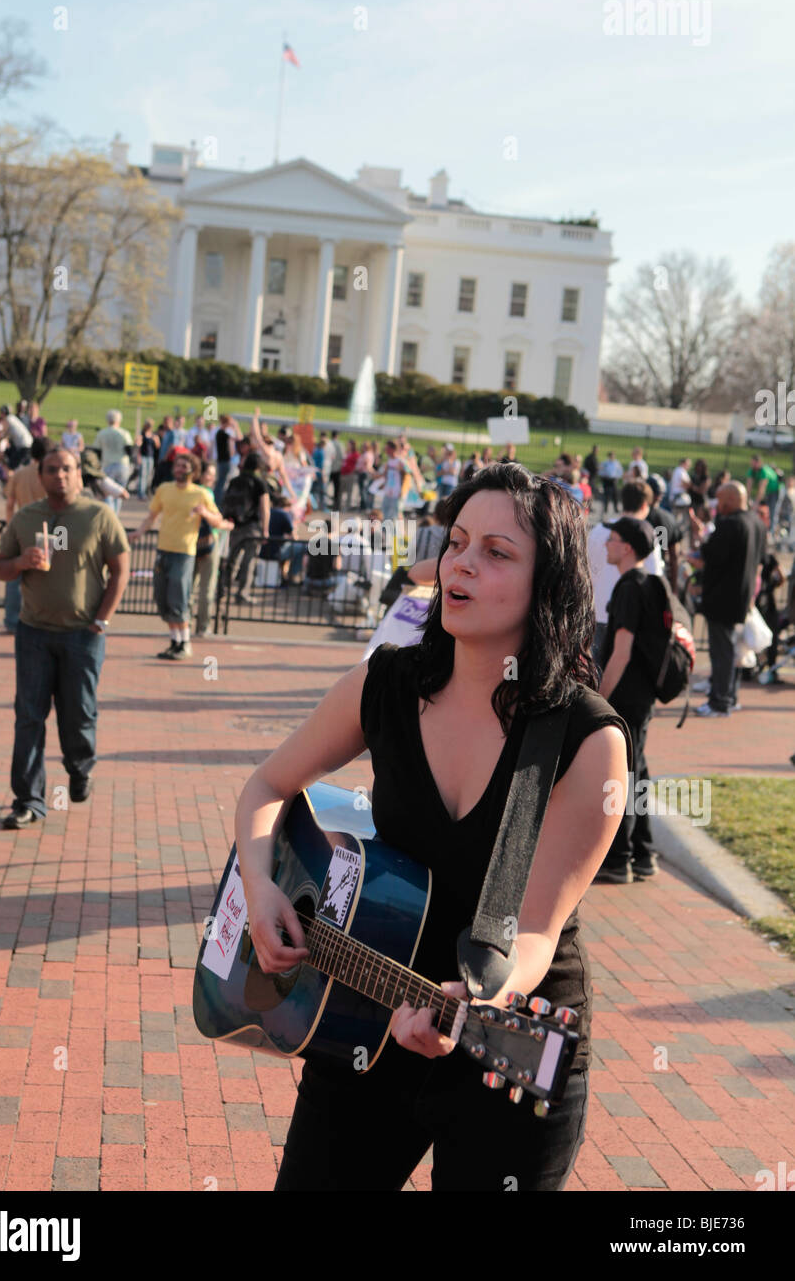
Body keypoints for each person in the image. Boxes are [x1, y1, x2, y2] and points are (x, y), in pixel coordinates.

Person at [234, 461, 629, 1192]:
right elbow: (267, 785)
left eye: (497, 553)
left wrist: (485, 997)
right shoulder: (386, 683)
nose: (461, 564)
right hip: (365, 1018)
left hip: (509, 1041)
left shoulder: (584, 738)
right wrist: (261, 890)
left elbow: (537, 929)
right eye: (456, 542)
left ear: (548, 584)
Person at [0, 447, 130, 828]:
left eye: (67, 469)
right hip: (34, 632)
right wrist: (21, 562)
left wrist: (101, 621)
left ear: (79, 476)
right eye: (51, 470)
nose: (60, 476)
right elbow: (2, 568)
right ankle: (28, 800)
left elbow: (120, 570)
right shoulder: (26, 518)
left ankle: (79, 767)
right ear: (41, 476)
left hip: (82, 635)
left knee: (79, 714)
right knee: (28, 717)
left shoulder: (98, 515)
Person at [595, 516, 659, 882]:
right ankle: (643, 853)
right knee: (639, 772)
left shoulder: (628, 588)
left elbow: (621, 651)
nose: (606, 543)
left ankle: (619, 859)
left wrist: (602, 698)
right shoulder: (645, 584)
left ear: (628, 548)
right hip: (642, 695)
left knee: (622, 776)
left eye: (613, 538)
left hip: (627, 694)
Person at [130, 450, 227, 658]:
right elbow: (152, 516)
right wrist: (138, 533)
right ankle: (174, 641)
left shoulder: (200, 493)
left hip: (184, 552)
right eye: (177, 465)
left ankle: (185, 642)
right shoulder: (164, 489)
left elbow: (218, 521)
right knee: (162, 596)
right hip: (163, 549)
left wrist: (205, 513)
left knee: (179, 598)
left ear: (193, 470)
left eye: (184, 466)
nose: (179, 469)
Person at [691, 482, 766, 717]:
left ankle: (720, 701)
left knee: (722, 652)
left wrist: (699, 536)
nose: (717, 505)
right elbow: (761, 561)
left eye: (721, 500)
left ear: (732, 500)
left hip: (722, 598)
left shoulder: (730, 524)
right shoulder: (755, 522)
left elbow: (710, 555)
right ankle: (729, 697)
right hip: (741, 597)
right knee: (732, 652)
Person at [586, 480, 664, 671]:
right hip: (630, 616)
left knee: (597, 671)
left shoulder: (598, 530)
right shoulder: (645, 533)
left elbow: (585, 568)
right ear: (645, 505)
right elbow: (654, 577)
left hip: (598, 611)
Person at [2, 436, 54, 633]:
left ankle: (12, 619)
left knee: (15, 577)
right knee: (47, 578)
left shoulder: (20, 474)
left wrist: (10, 526)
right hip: (49, 529)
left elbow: (9, 504)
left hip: (21, 527)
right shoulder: (52, 474)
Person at [217, 450, 271, 606]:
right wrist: (265, 530)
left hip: (234, 524)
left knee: (231, 559)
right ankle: (242, 593)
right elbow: (265, 508)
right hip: (252, 526)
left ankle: (222, 590)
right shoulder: (260, 483)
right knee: (249, 561)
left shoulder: (235, 480)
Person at [192, 461, 227, 636]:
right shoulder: (205, 493)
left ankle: (185, 624)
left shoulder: (188, 490)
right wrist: (226, 524)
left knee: (190, 587)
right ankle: (202, 627)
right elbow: (216, 520)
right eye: (209, 474)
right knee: (206, 588)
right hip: (206, 542)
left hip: (190, 542)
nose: (212, 478)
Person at [95, 410, 133, 515]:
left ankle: (110, 514)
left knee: (108, 492)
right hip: (122, 464)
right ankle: (115, 514)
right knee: (120, 491)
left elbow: (97, 450)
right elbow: (129, 450)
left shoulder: (102, 433)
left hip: (107, 463)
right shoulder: (124, 433)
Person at [0, 405, 33, 471]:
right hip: (26, 444)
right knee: (9, 459)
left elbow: (0, 436)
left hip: (24, 446)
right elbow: (4, 436)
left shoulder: (8, 420)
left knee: (11, 467)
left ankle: (11, 479)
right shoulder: (12, 418)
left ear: (2, 413)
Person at [747, 454, 780, 535]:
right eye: (752, 463)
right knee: (758, 509)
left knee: (772, 510)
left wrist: (756, 503)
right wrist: (748, 499)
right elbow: (749, 486)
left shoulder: (764, 471)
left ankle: (771, 532)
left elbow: (762, 489)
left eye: (754, 463)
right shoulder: (751, 471)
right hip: (768, 491)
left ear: (759, 463)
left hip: (775, 490)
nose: (752, 465)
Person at [134, 419, 160, 499]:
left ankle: (145, 491)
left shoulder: (153, 435)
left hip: (150, 457)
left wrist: (156, 440)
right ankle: (141, 493)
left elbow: (157, 446)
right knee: (142, 475)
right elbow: (138, 445)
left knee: (148, 475)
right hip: (143, 456)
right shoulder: (142, 434)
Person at [598, 451, 623, 516]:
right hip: (607, 480)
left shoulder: (617, 463)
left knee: (615, 495)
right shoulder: (605, 463)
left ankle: (616, 508)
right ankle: (605, 508)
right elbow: (601, 471)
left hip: (613, 480)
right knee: (607, 495)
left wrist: (617, 477)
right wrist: (604, 476)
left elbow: (620, 471)